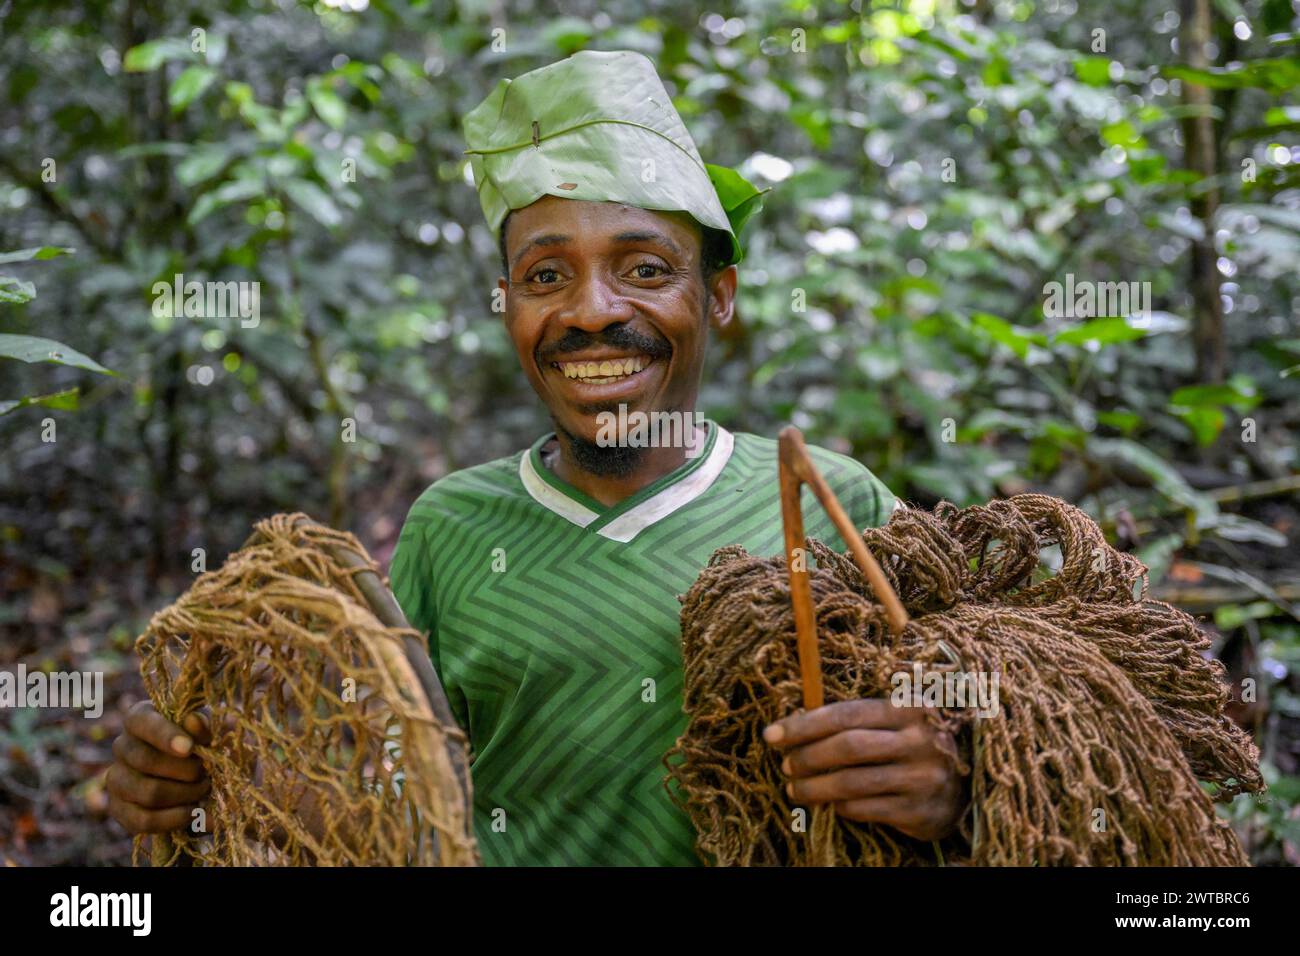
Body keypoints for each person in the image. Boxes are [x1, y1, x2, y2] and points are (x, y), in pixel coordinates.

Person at [106, 49, 966, 865]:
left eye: (644, 268)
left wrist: (950, 777)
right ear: (508, 305)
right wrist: (206, 791)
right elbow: (382, 794)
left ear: (718, 296)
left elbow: (1013, 713)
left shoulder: (831, 502)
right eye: (546, 276)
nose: (592, 311)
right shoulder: (451, 527)